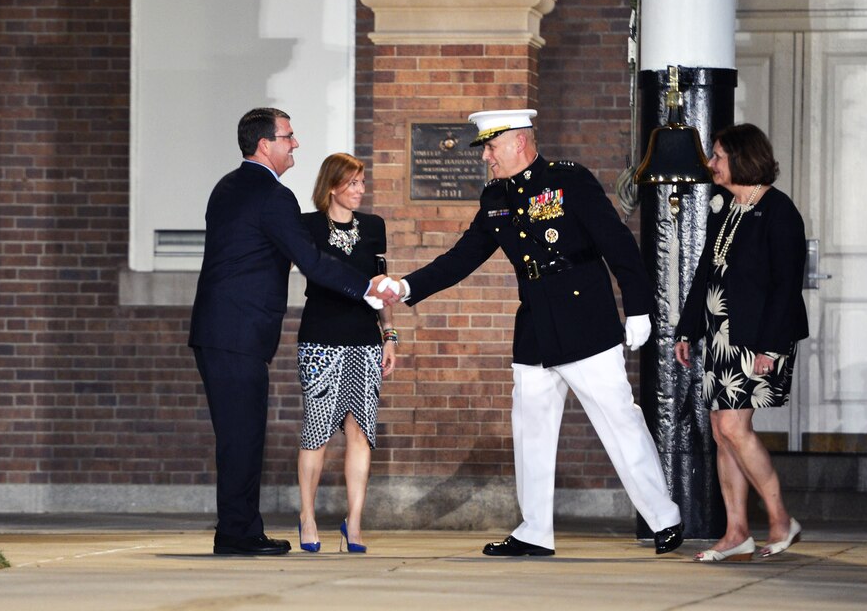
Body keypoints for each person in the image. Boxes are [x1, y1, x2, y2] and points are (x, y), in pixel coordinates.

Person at [392, 109, 684, 558]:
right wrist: (408, 286)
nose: (486, 157)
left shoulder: (569, 181)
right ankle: (534, 530)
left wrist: (639, 308)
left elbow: (617, 244)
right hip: (536, 328)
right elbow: (463, 257)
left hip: (586, 320)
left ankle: (664, 518)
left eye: (491, 146)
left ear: (519, 142)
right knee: (531, 433)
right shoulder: (495, 198)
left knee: (620, 421)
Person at [188, 107, 398, 557]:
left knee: (237, 435)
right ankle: (239, 534)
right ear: (265, 144)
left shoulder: (226, 187)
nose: (295, 143)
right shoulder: (272, 197)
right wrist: (367, 287)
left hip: (218, 328)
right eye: (288, 136)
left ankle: (237, 529)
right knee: (243, 435)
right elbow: (313, 262)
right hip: (238, 331)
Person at [674, 123, 808, 562]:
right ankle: (736, 533)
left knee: (734, 427)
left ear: (742, 159)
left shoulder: (779, 212)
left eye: (718, 156)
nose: (711, 164)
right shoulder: (726, 209)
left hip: (758, 339)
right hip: (720, 338)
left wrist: (770, 347)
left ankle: (780, 520)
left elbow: (786, 286)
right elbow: (704, 276)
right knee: (721, 430)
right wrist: (687, 329)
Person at [295, 153, 397, 555]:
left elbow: (382, 285)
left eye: (362, 183)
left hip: (364, 340)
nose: (360, 190)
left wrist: (390, 335)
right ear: (333, 185)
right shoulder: (307, 226)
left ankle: (353, 523)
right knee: (316, 431)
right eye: (352, 183)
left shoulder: (374, 227)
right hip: (320, 337)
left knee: (361, 433)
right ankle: (307, 516)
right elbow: (316, 272)